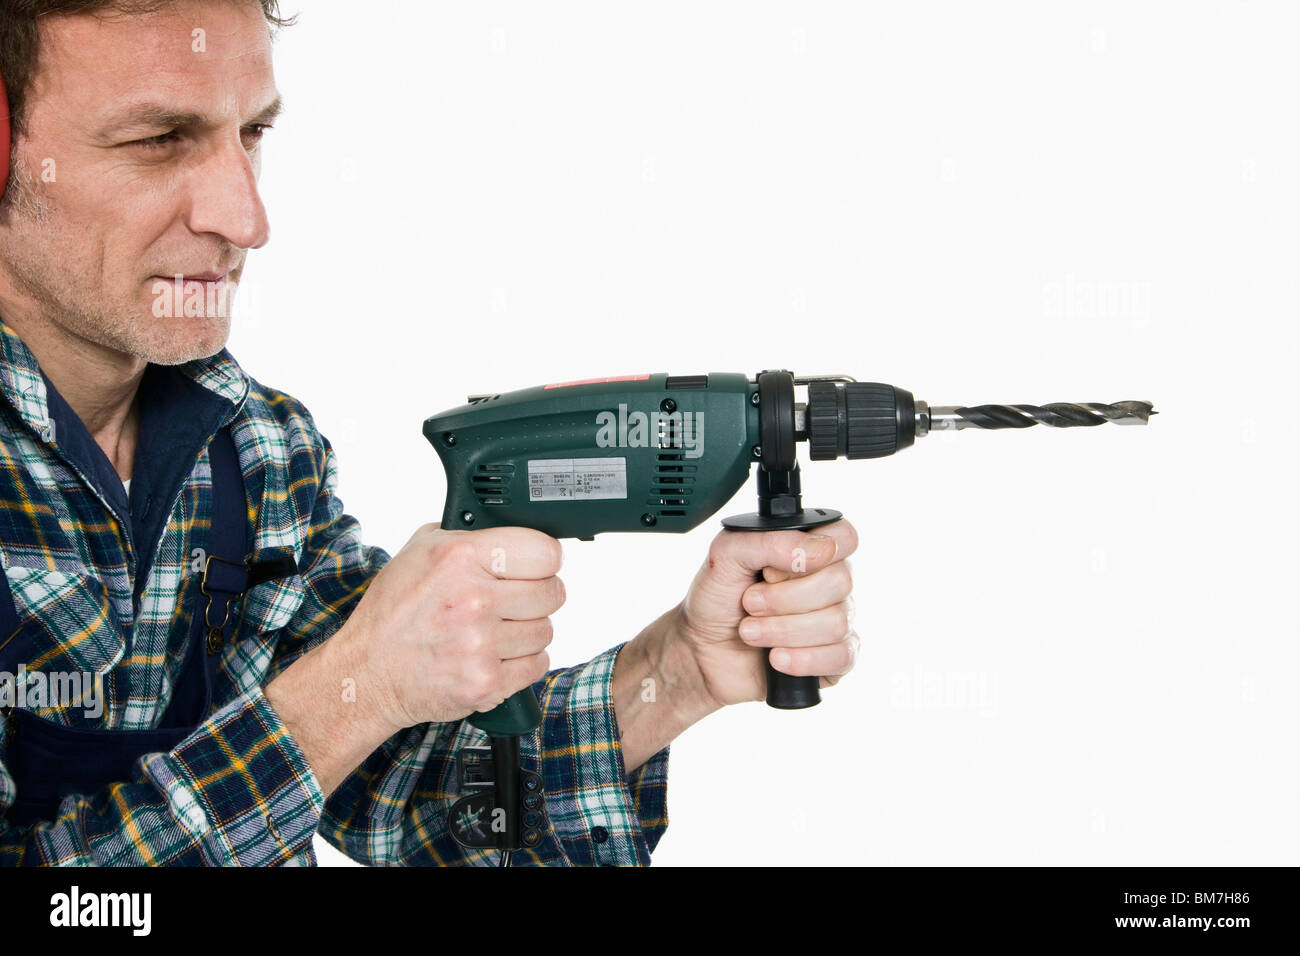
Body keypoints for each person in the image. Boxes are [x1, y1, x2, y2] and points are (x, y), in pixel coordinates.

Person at [0, 0, 859, 866]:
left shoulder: (255, 450)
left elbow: (410, 794)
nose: (246, 219)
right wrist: (355, 686)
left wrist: (674, 673)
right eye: (159, 140)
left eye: (252, 131)